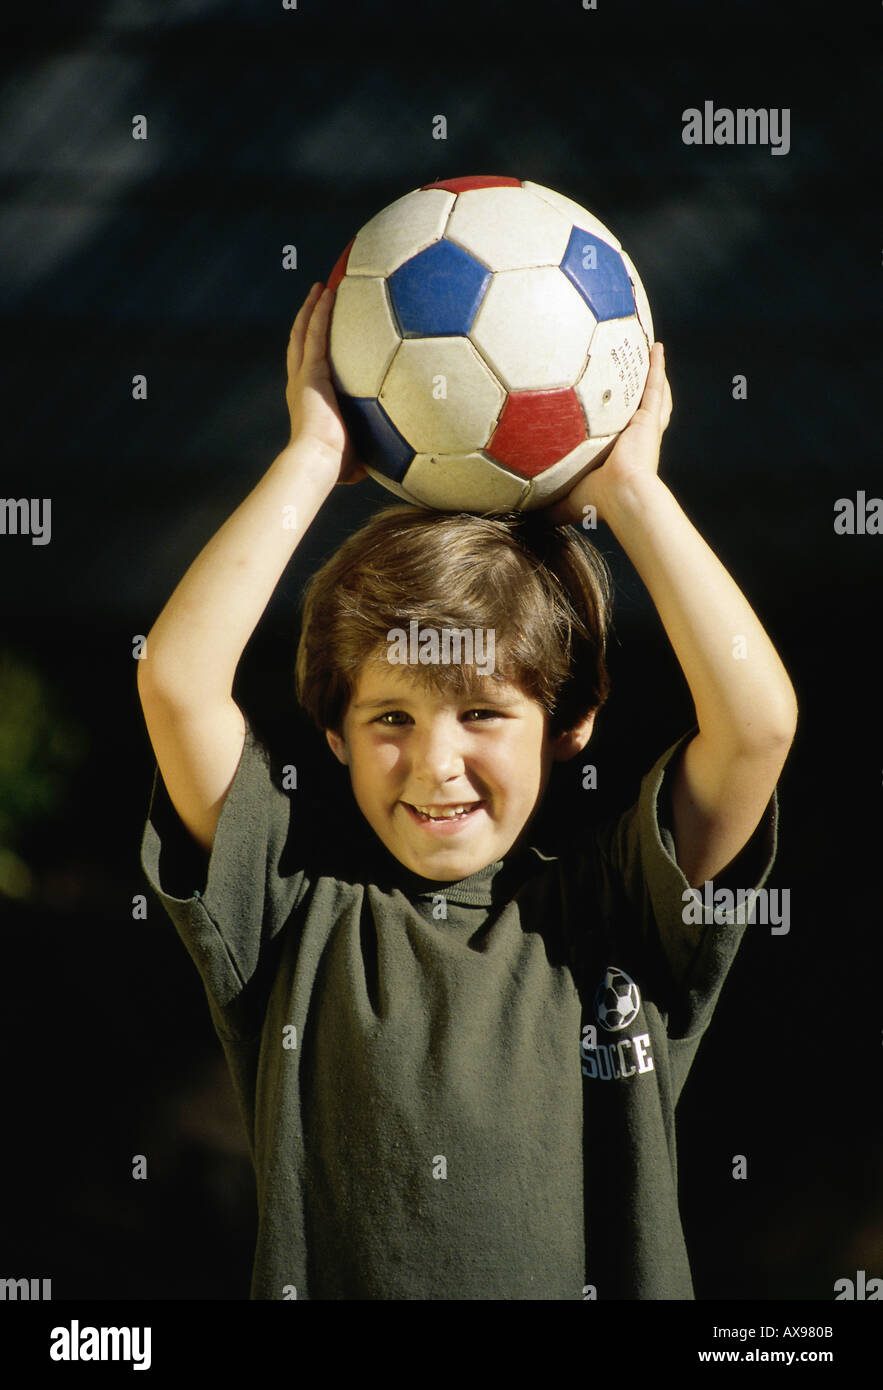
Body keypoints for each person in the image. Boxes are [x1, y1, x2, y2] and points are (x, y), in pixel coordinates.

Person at [139, 282, 797, 1300]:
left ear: (570, 724)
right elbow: (178, 682)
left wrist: (628, 490)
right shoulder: (286, 902)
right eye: (390, 718)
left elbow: (757, 725)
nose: (436, 762)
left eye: (483, 713)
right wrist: (313, 456)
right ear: (333, 732)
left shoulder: (618, 908)